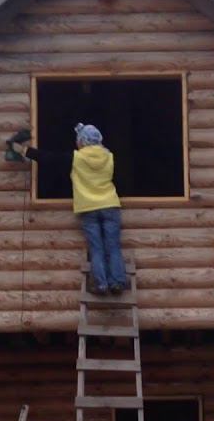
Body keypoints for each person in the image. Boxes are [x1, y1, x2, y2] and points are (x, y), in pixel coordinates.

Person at [11, 123, 128, 295]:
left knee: (96, 248)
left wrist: (24, 150)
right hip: (110, 205)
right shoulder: (109, 156)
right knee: (113, 246)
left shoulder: (76, 157)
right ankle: (117, 282)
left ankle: (102, 284)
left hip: (89, 207)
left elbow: (49, 158)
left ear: (82, 141)